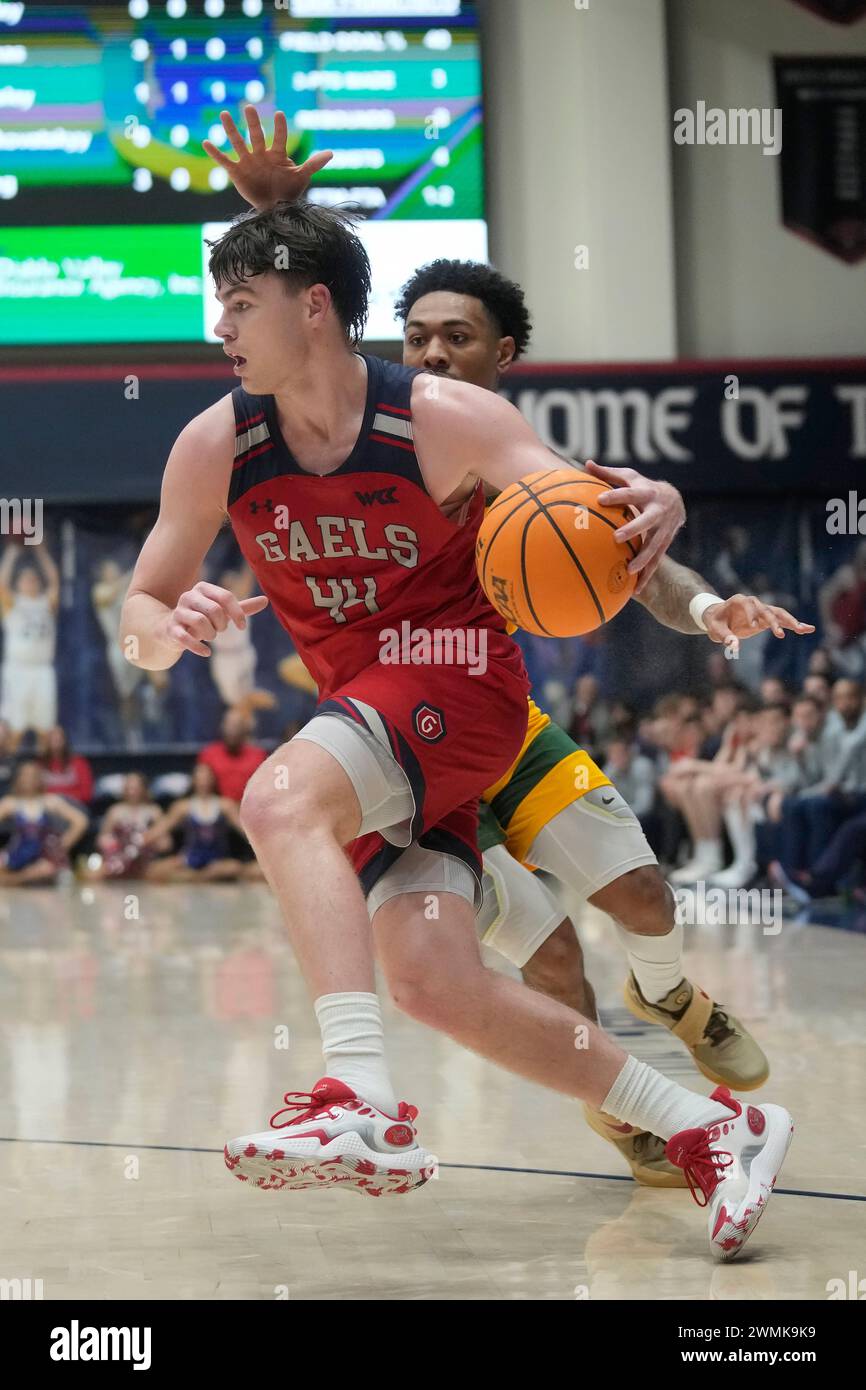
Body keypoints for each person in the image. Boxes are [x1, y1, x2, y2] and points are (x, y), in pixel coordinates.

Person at [120, 114, 796, 1260]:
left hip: (462, 683)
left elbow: (584, 518)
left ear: (313, 308)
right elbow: (141, 608)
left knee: (282, 799)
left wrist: (659, 524)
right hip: (378, 728)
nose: (217, 323)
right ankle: (714, 1127)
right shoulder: (213, 444)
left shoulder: (442, 420)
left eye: (238, 302)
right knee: (434, 980)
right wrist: (163, 627)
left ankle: (356, 1091)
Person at [142, 763, 253, 883]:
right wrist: (139, 840)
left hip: (218, 861)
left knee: (234, 868)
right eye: (199, 779)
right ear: (193, 781)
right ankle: (201, 878)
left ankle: (196, 878)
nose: (203, 783)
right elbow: (161, 828)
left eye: (206, 778)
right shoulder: (183, 807)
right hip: (189, 859)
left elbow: (245, 831)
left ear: (213, 780)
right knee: (154, 871)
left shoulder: (225, 805)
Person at [0, 541, 59, 746]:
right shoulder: (12, 604)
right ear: (18, 584)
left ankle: (42, 774)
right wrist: (12, 552)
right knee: (14, 728)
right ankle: (9, 769)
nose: (31, 582)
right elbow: (1, 584)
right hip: (17, 670)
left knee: (45, 728)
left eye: (34, 579)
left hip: (42, 670)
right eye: (26, 579)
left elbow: (54, 581)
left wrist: (41, 551)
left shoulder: (46, 603)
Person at [0, 761, 88, 885]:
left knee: (47, 870)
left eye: (32, 776)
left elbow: (80, 821)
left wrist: (60, 846)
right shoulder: (10, 803)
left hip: (43, 854)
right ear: (18, 779)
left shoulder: (49, 801)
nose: (27, 779)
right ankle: (20, 878)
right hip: (18, 852)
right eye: (24, 775)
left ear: (39, 779)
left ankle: (16, 879)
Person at [83, 772, 166, 881]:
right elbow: (101, 840)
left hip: (145, 863)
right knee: (91, 876)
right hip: (118, 861)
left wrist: (147, 841)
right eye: (128, 788)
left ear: (143, 789)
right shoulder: (114, 811)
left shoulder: (154, 811)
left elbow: (166, 844)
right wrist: (110, 844)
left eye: (135, 788)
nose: (131, 792)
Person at [198, 708, 266, 803]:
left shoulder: (258, 755)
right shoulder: (209, 754)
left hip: (250, 807)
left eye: (236, 726)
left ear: (245, 729)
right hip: (219, 810)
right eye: (228, 725)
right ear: (222, 727)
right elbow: (201, 787)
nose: (232, 730)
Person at [39, 726, 94, 807]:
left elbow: (87, 794)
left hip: (74, 806)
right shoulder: (39, 765)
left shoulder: (79, 762)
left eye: (58, 738)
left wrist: (60, 799)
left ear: (65, 740)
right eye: (51, 739)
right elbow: (35, 792)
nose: (55, 742)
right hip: (47, 806)